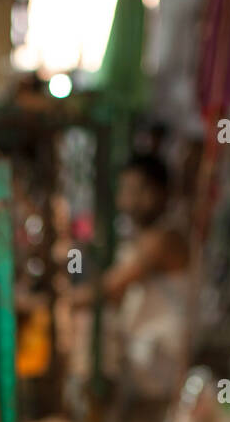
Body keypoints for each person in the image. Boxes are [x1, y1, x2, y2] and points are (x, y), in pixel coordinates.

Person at [71, 154, 190, 404]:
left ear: (163, 193)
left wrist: (66, 300)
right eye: (127, 191)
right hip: (147, 361)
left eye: (140, 191)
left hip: (161, 365)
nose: (131, 201)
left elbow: (110, 287)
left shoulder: (165, 240)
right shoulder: (142, 239)